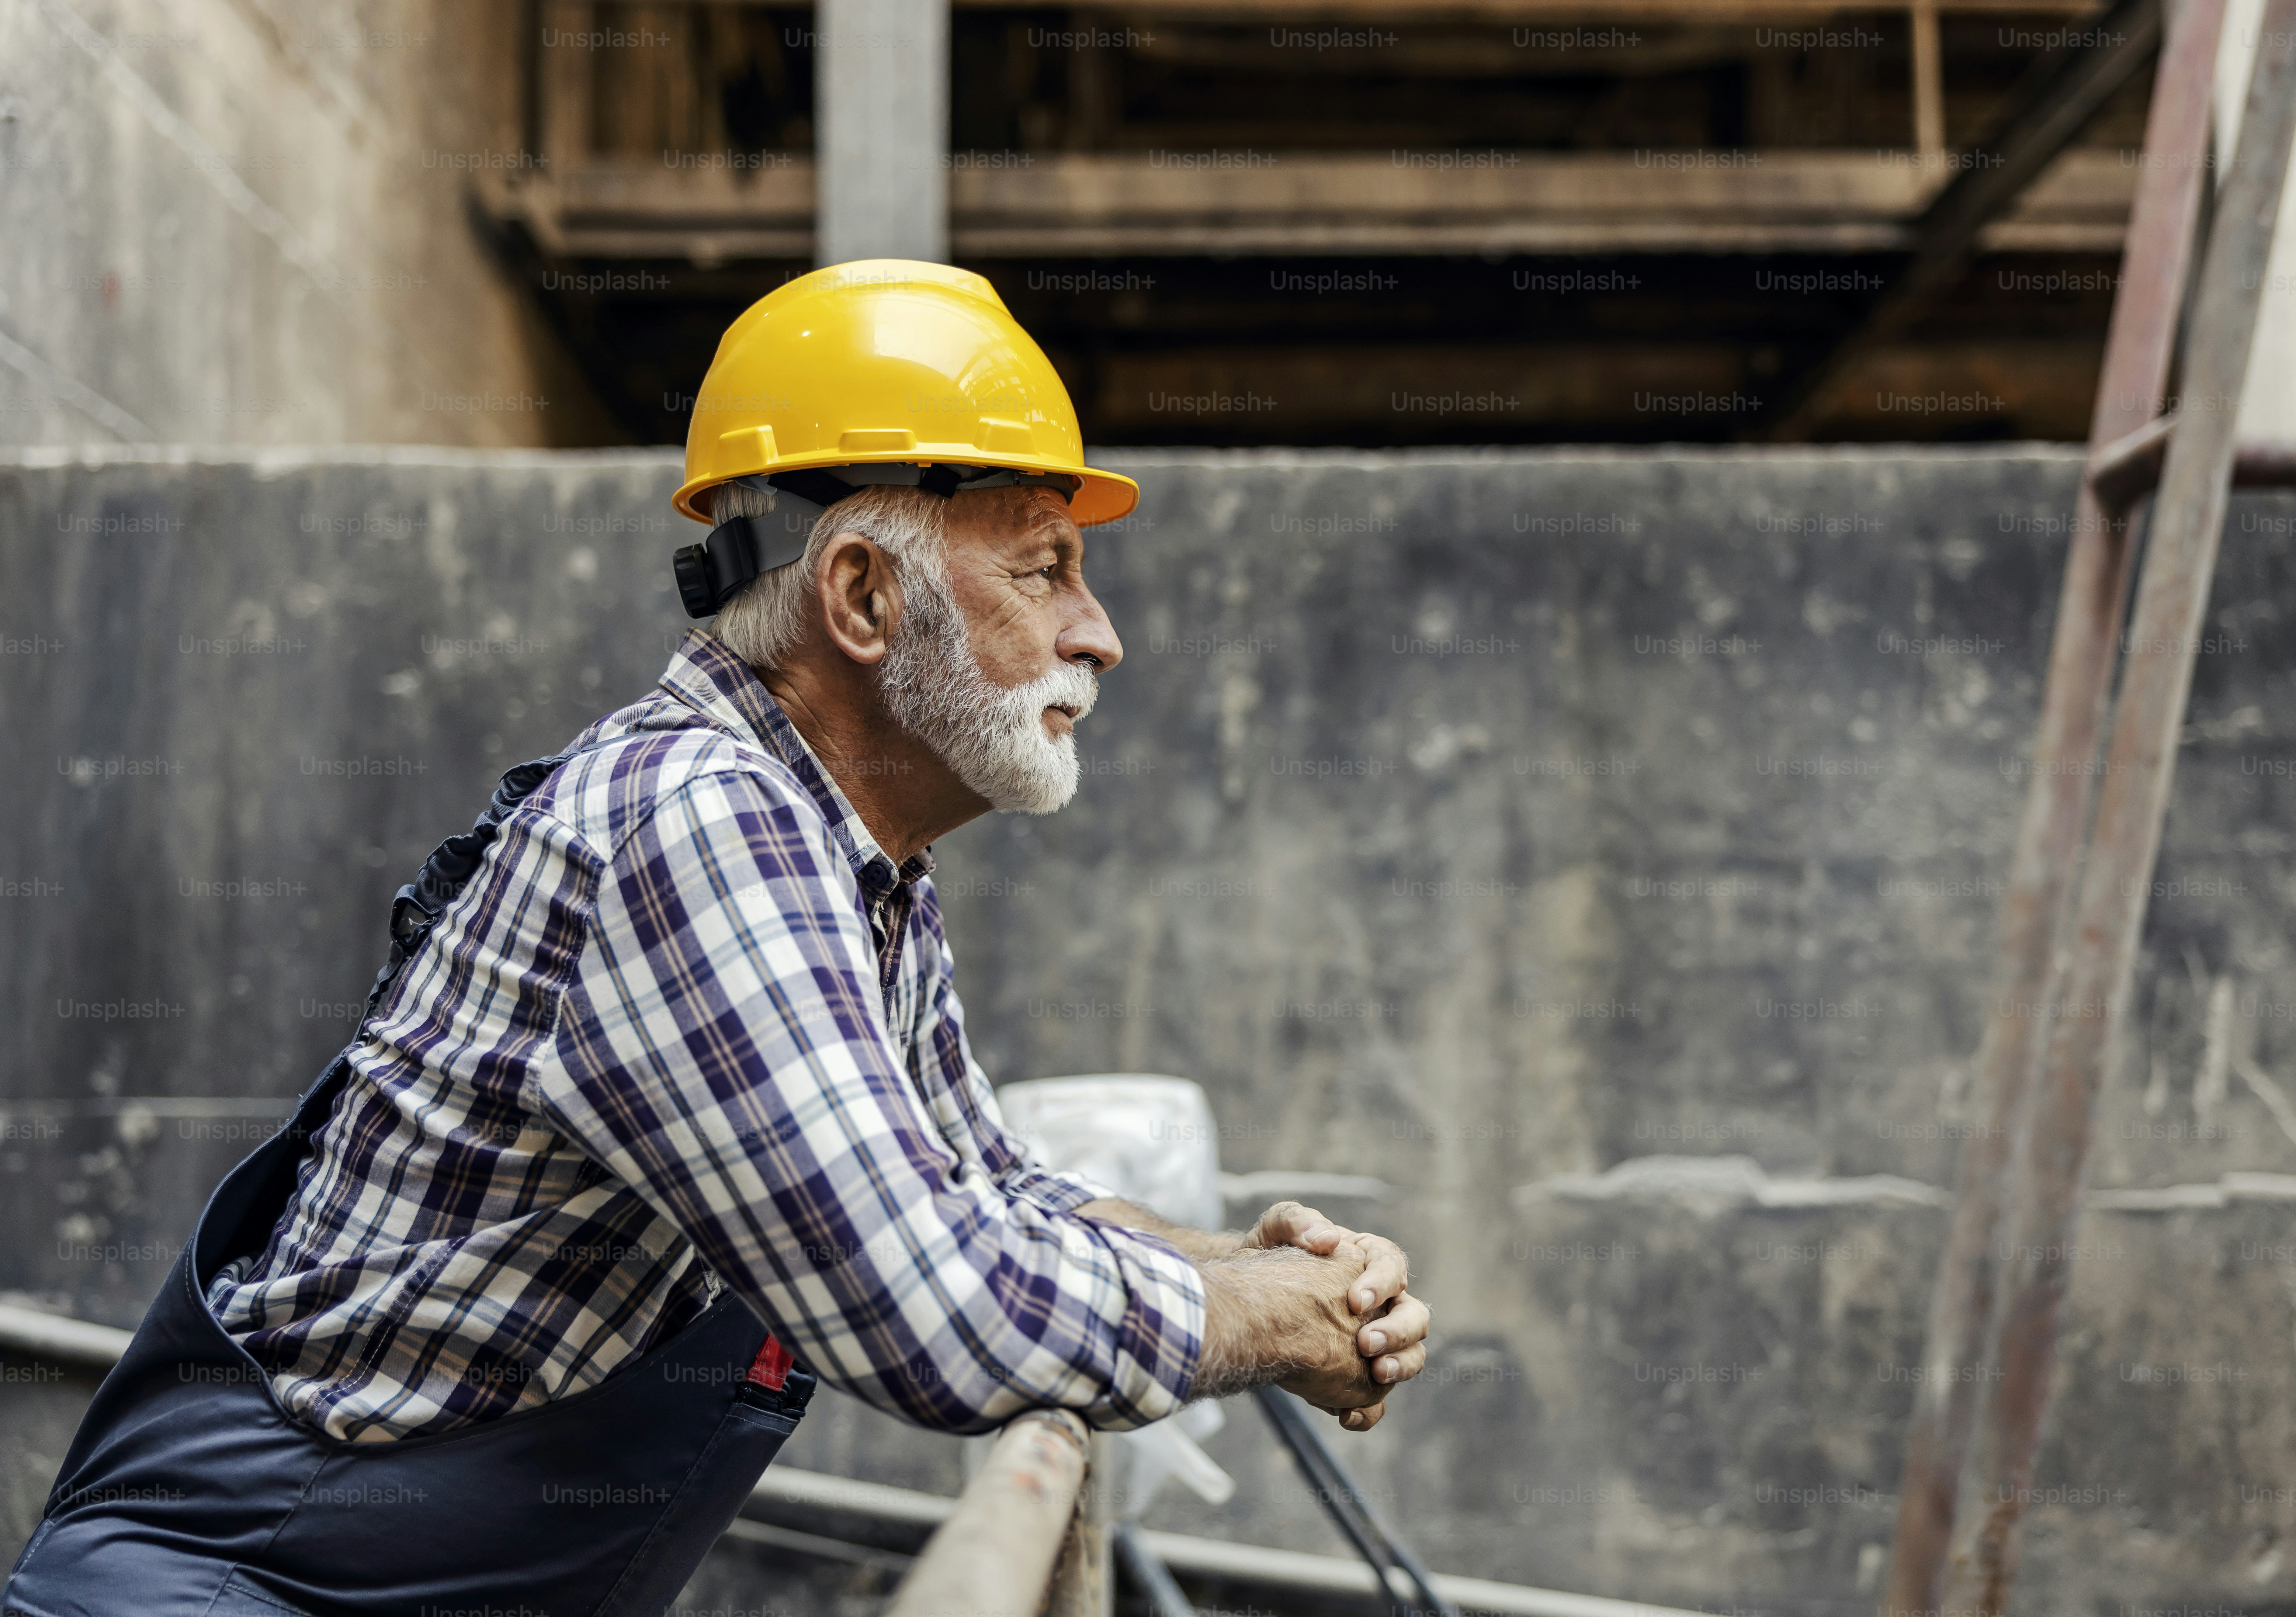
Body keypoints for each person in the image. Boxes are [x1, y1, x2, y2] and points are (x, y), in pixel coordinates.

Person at [4, 261, 1427, 1617]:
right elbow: (941, 1313)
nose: (1099, 633)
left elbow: (981, 1195)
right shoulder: (703, 830)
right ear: (865, 597)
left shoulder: (848, 863)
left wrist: (1250, 1262)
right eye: (1045, 570)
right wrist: (1272, 1323)